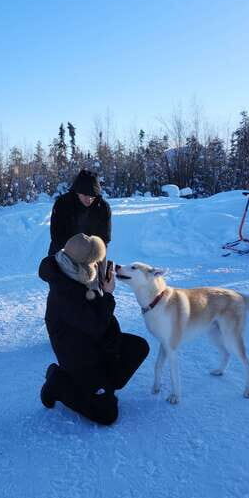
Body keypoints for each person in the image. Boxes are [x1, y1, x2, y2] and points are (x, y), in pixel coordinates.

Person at [38, 233, 149, 425]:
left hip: (95, 342)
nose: (97, 266)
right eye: (95, 262)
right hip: (78, 356)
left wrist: (100, 285)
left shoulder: (77, 271)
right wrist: (107, 294)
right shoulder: (64, 291)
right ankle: (58, 382)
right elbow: (96, 325)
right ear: (84, 263)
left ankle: (102, 385)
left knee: (138, 347)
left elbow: (99, 322)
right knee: (107, 415)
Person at [48, 169, 111, 256]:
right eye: (85, 195)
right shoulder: (62, 204)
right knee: (47, 266)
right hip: (63, 252)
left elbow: (104, 238)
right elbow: (57, 236)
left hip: (91, 254)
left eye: (92, 196)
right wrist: (74, 254)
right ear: (77, 192)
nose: (88, 199)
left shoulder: (103, 208)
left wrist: (92, 254)